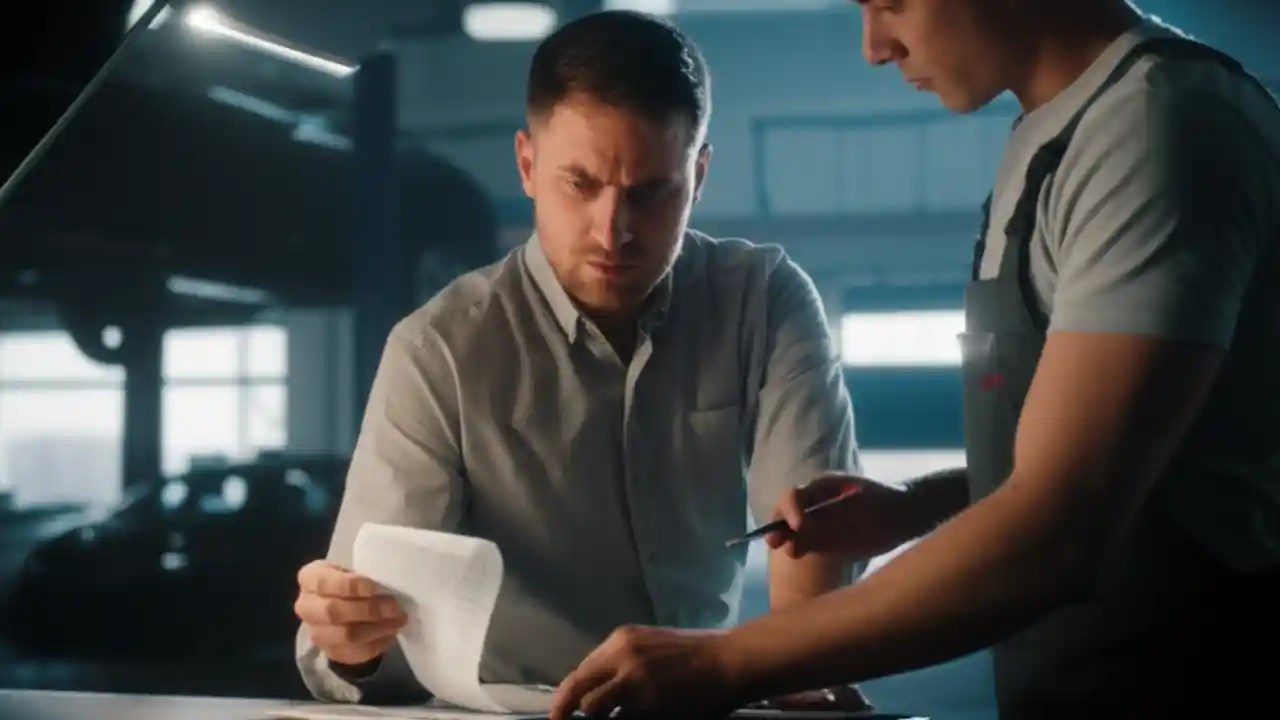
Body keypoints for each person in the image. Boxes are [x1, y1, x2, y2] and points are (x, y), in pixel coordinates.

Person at [550, 1, 1280, 717]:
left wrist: (726, 661)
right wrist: (914, 507)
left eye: (892, 3)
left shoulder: (1156, 128)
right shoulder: (1057, 136)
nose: (875, 47)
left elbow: (1062, 529)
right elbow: (1128, 455)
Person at [293, 10, 864, 705]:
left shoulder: (765, 302)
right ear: (528, 165)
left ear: (699, 175)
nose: (612, 231)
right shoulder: (437, 350)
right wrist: (353, 643)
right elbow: (363, 631)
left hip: (701, 704)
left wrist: (802, 673)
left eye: (650, 193)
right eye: (581, 184)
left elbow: (815, 526)